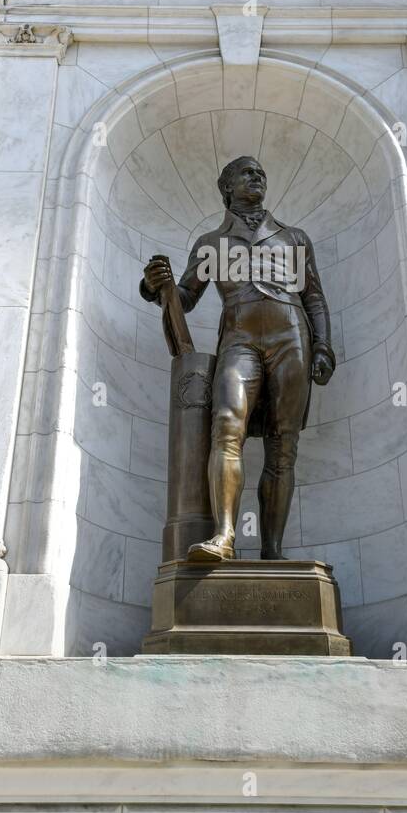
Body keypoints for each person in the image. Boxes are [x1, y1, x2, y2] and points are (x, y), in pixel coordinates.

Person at [140, 155, 335, 563]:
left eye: (261, 172)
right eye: (247, 172)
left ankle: (272, 550)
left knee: (284, 446)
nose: (257, 177)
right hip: (239, 338)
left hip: (291, 336)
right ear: (227, 186)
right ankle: (224, 536)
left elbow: (313, 296)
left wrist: (323, 345)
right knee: (226, 426)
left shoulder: (293, 237)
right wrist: (156, 286)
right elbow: (186, 298)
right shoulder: (211, 242)